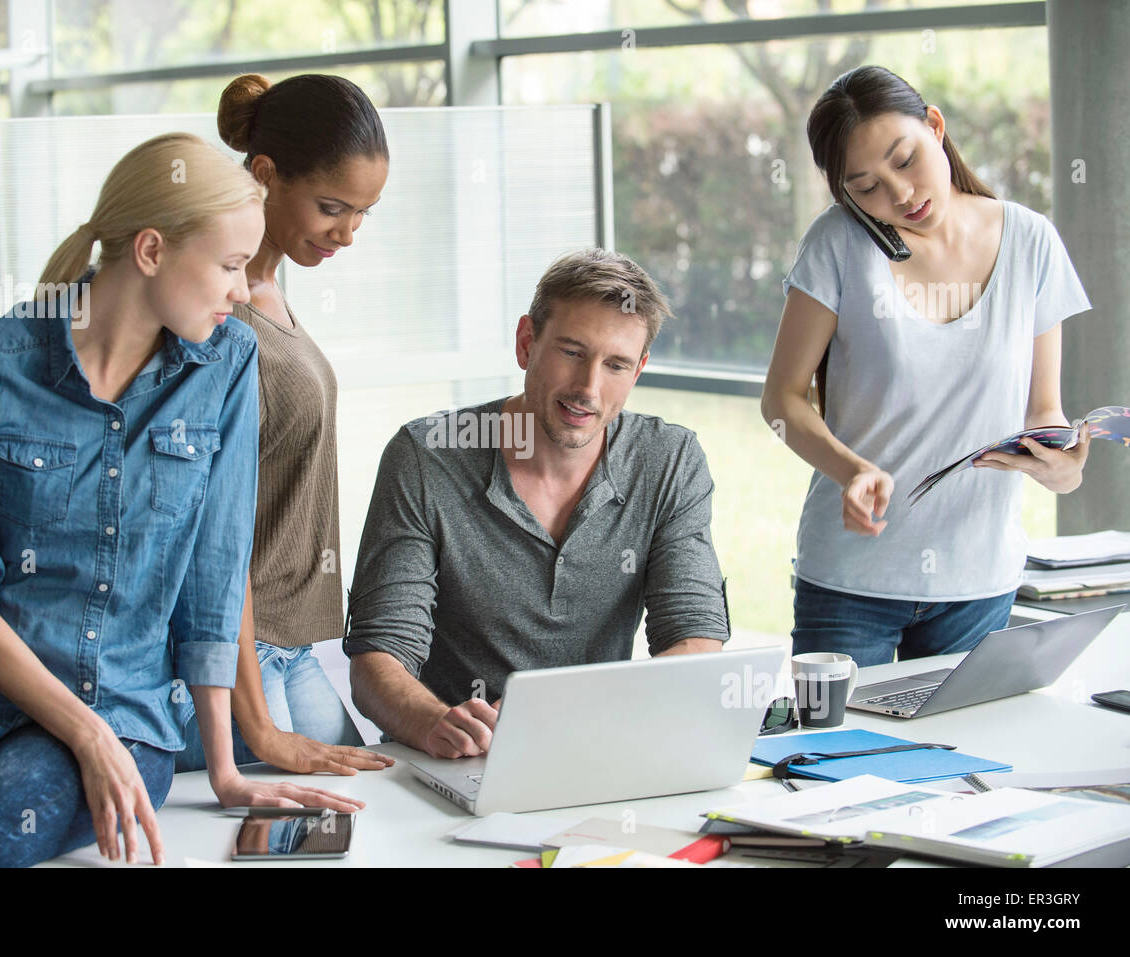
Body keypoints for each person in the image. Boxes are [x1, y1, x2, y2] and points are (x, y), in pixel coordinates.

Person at [0, 133, 360, 869]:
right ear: (151, 250)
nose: (243, 291)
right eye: (228, 266)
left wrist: (222, 768)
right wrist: (80, 730)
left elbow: (213, 577)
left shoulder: (226, 363)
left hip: (124, 712)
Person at [760, 66, 1092, 668]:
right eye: (866, 187)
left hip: (977, 579)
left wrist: (1061, 467)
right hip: (851, 579)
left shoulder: (1031, 242)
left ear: (934, 127)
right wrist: (851, 469)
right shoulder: (836, 244)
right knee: (829, 758)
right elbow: (781, 399)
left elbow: (1044, 411)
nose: (900, 195)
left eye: (905, 160)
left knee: (959, 760)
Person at [344, 249, 731, 759]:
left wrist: (585, 717)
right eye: (571, 352)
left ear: (638, 370)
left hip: (600, 751)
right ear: (527, 343)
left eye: (615, 365)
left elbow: (695, 639)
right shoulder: (425, 456)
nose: (588, 389)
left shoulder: (670, 460)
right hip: (459, 760)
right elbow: (377, 660)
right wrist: (437, 723)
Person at [174, 73, 394, 777]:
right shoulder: (210, 317)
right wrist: (258, 727)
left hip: (290, 647)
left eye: (362, 213)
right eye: (332, 207)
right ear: (263, 175)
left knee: (376, 805)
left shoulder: (268, 285)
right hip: (237, 654)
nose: (348, 234)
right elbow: (208, 535)